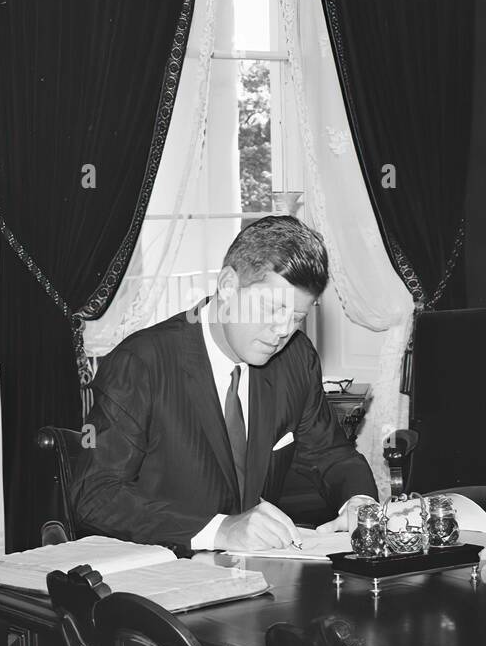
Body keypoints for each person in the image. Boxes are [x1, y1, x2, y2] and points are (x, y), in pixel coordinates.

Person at [71, 216, 378, 551]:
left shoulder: (296, 359)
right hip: (165, 574)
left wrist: (358, 503)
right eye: (271, 309)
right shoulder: (142, 363)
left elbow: (330, 453)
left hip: (260, 575)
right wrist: (220, 530)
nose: (281, 331)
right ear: (229, 286)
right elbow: (95, 494)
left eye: (296, 318)